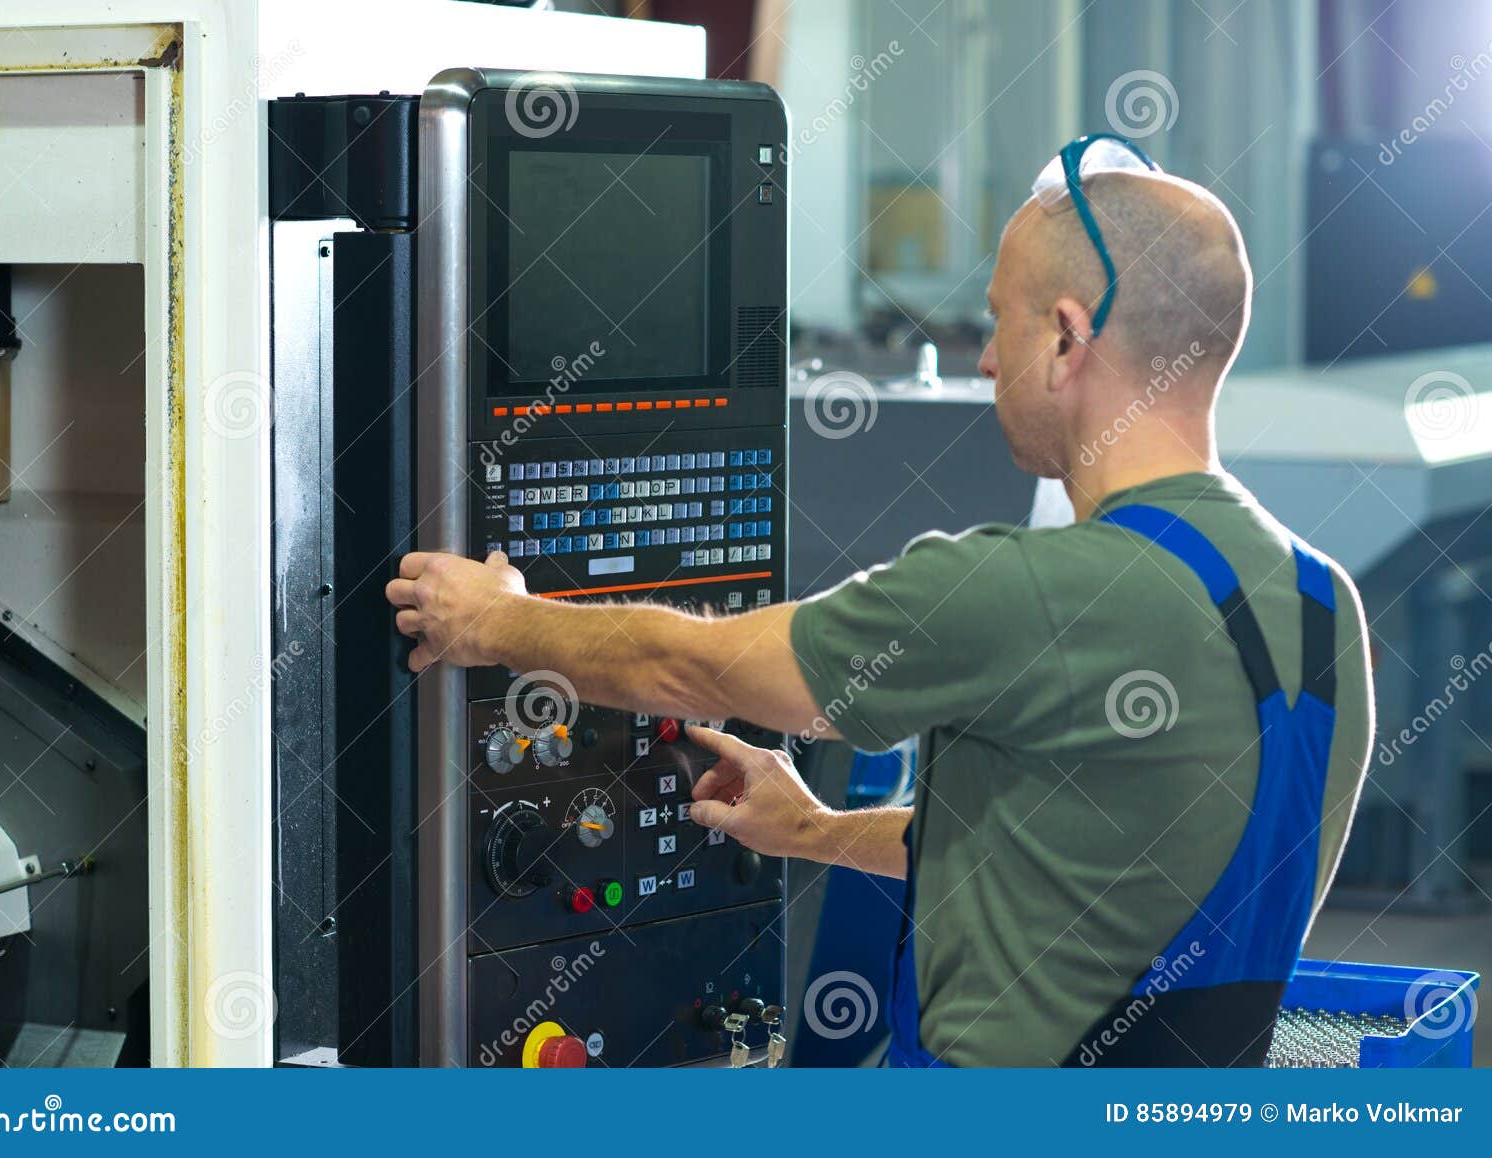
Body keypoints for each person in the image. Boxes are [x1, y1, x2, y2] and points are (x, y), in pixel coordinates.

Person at [385, 135, 1374, 1067]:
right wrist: (814, 832)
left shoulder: (1030, 593)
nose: (986, 358)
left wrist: (493, 620)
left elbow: (696, 668)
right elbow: (1082, 866)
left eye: (1000, 318)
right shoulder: (1325, 607)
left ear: (1066, 338)